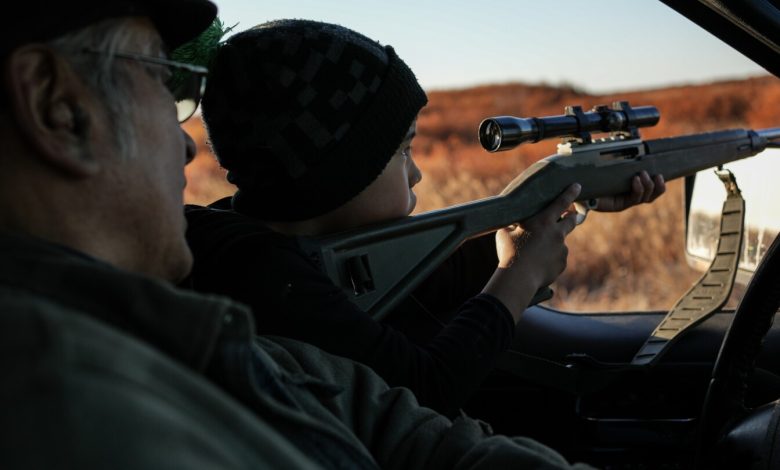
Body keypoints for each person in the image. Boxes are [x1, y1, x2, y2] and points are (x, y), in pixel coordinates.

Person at [0, 2, 600, 468]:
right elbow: (426, 387)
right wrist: (515, 280)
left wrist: (552, 214)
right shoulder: (79, 398)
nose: (187, 145)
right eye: (162, 82)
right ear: (59, 108)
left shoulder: (224, 289)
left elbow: (418, 291)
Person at [184, 19, 665, 416]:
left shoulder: (282, 243)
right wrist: (517, 280)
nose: (415, 173)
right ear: (340, 171)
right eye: (403, 150)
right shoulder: (260, 275)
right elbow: (425, 389)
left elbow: (435, 277)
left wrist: (565, 206)